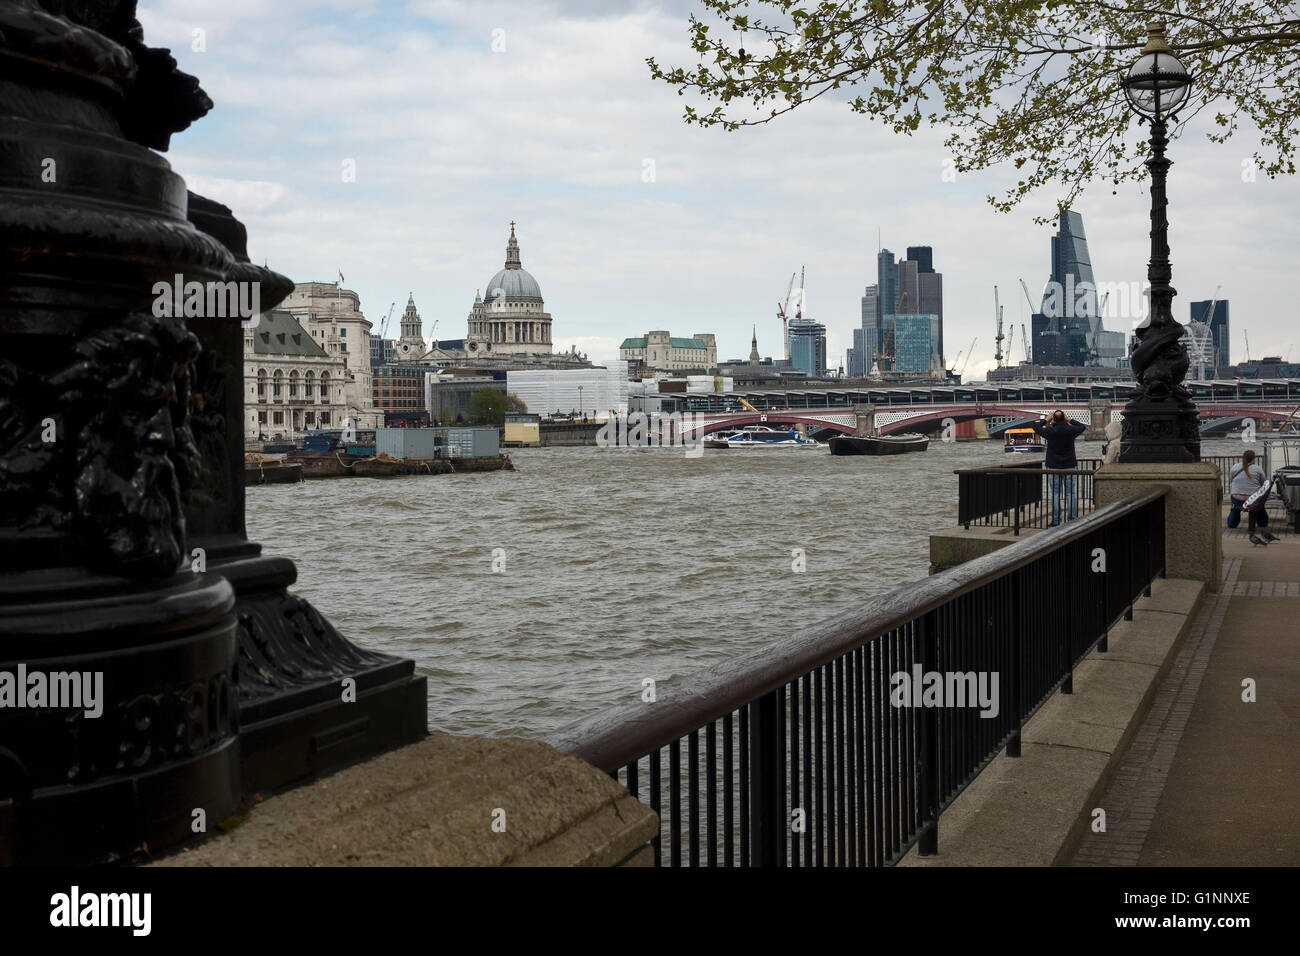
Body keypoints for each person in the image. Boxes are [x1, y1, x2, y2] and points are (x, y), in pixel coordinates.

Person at [1032, 409, 1087, 526]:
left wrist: (1046, 420)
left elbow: (1035, 427)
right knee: (1071, 493)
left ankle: (1056, 520)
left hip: (1053, 465)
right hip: (1069, 465)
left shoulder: (1049, 431)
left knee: (1055, 494)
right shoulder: (1071, 430)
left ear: (1053, 419)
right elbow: (1082, 427)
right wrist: (1070, 420)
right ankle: (1072, 519)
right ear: (1064, 418)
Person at [1227, 449, 1276, 545]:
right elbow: (1263, 484)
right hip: (1252, 501)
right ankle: (1262, 524)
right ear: (1254, 459)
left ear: (1243, 457)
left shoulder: (1234, 467)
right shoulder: (1258, 469)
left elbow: (1231, 480)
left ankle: (1232, 522)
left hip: (1237, 498)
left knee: (1235, 512)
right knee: (1260, 511)